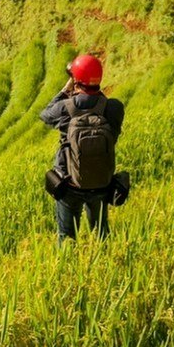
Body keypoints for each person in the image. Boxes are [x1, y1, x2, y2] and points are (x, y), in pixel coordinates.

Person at [40, 52, 125, 241]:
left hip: (69, 184)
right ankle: (105, 261)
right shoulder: (114, 107)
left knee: (67, 236)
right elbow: (100, 103)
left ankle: (66, 266)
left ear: (77, 80)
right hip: (101, 183)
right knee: (101, 234)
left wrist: (68, 87)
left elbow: (45, 114)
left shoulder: (66, 107)